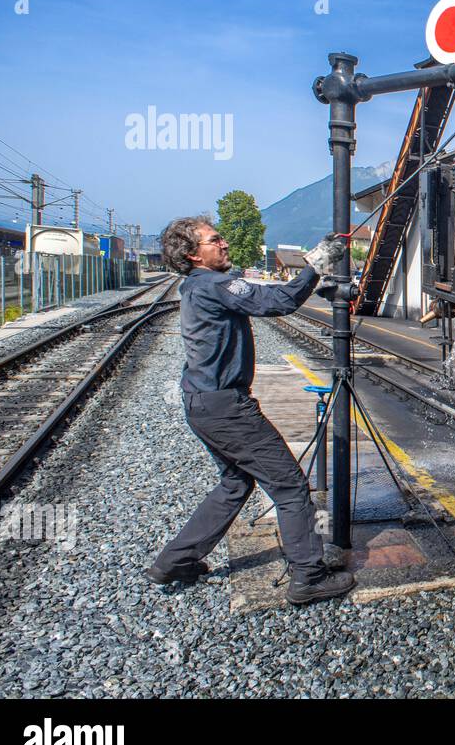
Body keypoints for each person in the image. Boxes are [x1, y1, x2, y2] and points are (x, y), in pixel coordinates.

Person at [148, 217, 354, 604]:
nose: (223, 244)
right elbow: (279, 301)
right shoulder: (213, 282)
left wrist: (313, 281)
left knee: (235, 483)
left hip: (201, 403)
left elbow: (268, 295)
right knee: (290, 486)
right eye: (214, 240)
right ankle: (307, 577)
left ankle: (173, 561)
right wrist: (316, 264)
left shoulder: (195, 285)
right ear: (194, 254)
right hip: (228, 408)